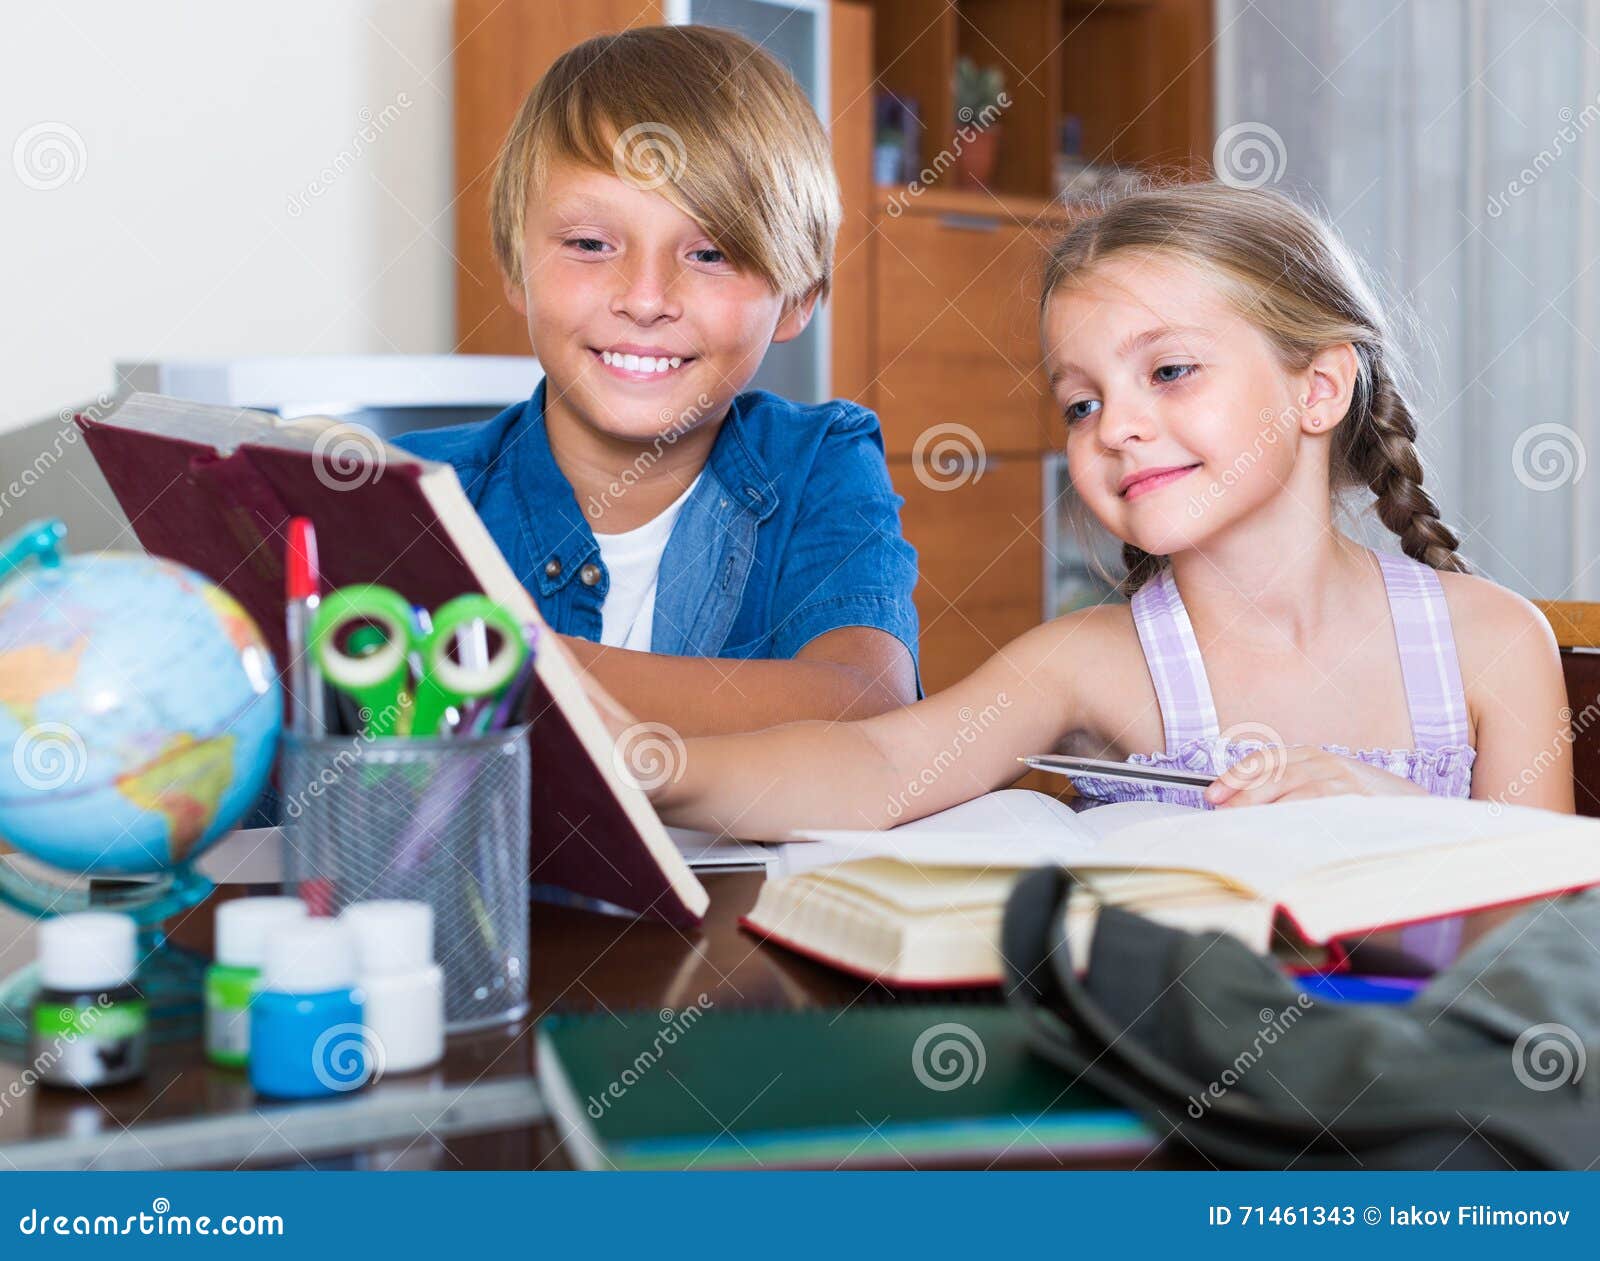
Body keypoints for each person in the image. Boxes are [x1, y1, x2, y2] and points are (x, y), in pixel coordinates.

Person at [598, 181, 1573, 837]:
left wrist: (1398, 819)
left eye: (1170, 370)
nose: (1115, 427)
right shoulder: (1087, 662)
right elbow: (873, 762)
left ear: (1318, 388)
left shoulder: (1493, 645)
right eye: (1081, 401)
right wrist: (653, 767)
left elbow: (1549, 957)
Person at [395, 27, 919, 737]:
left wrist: (507, 663)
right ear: (516, 266)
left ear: (799, 297)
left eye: (709, 253)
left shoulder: (822, 462)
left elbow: (866, 707)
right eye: (589, 244)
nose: (645, 299)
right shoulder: (413, 497)